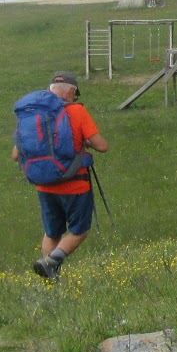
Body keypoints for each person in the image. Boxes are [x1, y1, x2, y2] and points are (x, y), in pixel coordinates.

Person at [12, 71, 109, 279]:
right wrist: (86, 141)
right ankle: (51, 262)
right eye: (76, 94)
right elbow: (102, 146)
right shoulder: (76, 111)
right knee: (79, 231)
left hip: (44, 185)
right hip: (75, 184)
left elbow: (14, 154)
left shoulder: (35, 114)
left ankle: (50, 279)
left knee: (52, 232)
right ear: (71, 91)